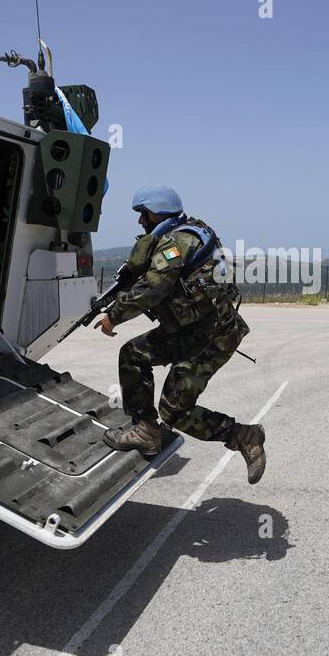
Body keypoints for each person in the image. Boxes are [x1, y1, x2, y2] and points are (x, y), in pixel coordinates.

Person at [94, 185, 267, 483]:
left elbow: (154, 287)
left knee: (175, 412)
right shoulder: (182, 234)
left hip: (212, 339)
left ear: (159, 211)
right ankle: (147, 431)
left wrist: (114, 315)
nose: (140, 222)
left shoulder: (178, 242)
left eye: (144, 214)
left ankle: (244, 436)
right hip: (188, 331)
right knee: (133, 354)